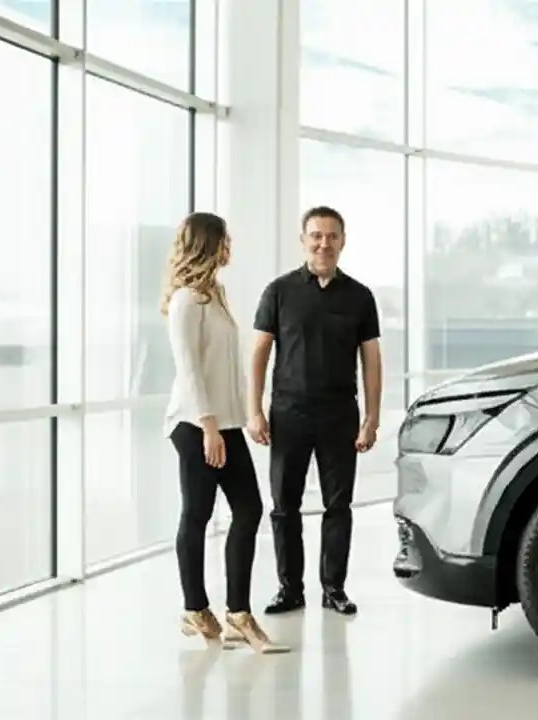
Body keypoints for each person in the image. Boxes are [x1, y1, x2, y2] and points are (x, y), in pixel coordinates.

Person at [161, 211, 288, 654]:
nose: (229, 245)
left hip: (225, 423)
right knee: (197, 514)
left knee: (249, 509)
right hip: (196, 424)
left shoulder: (213, 295)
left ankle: (237, 615)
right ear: (208, 244)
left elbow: (224, 369)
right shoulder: (185, 301)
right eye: (224, 239)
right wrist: (209, 427)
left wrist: (240, 416)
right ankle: (195, 608)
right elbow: (189, 370)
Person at [247, 205, 382, 616]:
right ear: (303, 240)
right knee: (283, 506)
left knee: (338, 506)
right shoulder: (278, 291)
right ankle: (290, 589)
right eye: (316, 236)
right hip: (288, 413)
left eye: (332, 236)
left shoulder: (360, 296)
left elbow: (371, 360)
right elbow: (259, 353)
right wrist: (254, 410)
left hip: (340, 414)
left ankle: (333, 589)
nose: (324, 243)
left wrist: (372, 418)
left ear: (343, 241)